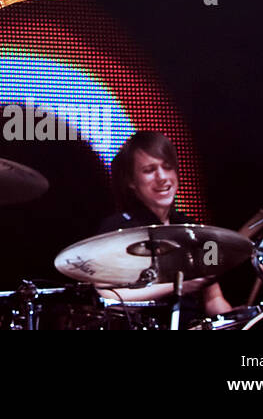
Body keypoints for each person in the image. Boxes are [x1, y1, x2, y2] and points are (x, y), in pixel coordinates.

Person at [95, 131, 234, 320]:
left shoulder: (197, 232)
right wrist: (176, 287)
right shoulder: (117, 228)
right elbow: (109, 296)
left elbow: (214, 299)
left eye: (167, 167)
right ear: (131, 182)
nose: (162, 177)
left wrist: (236, 322)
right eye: (149, 170)